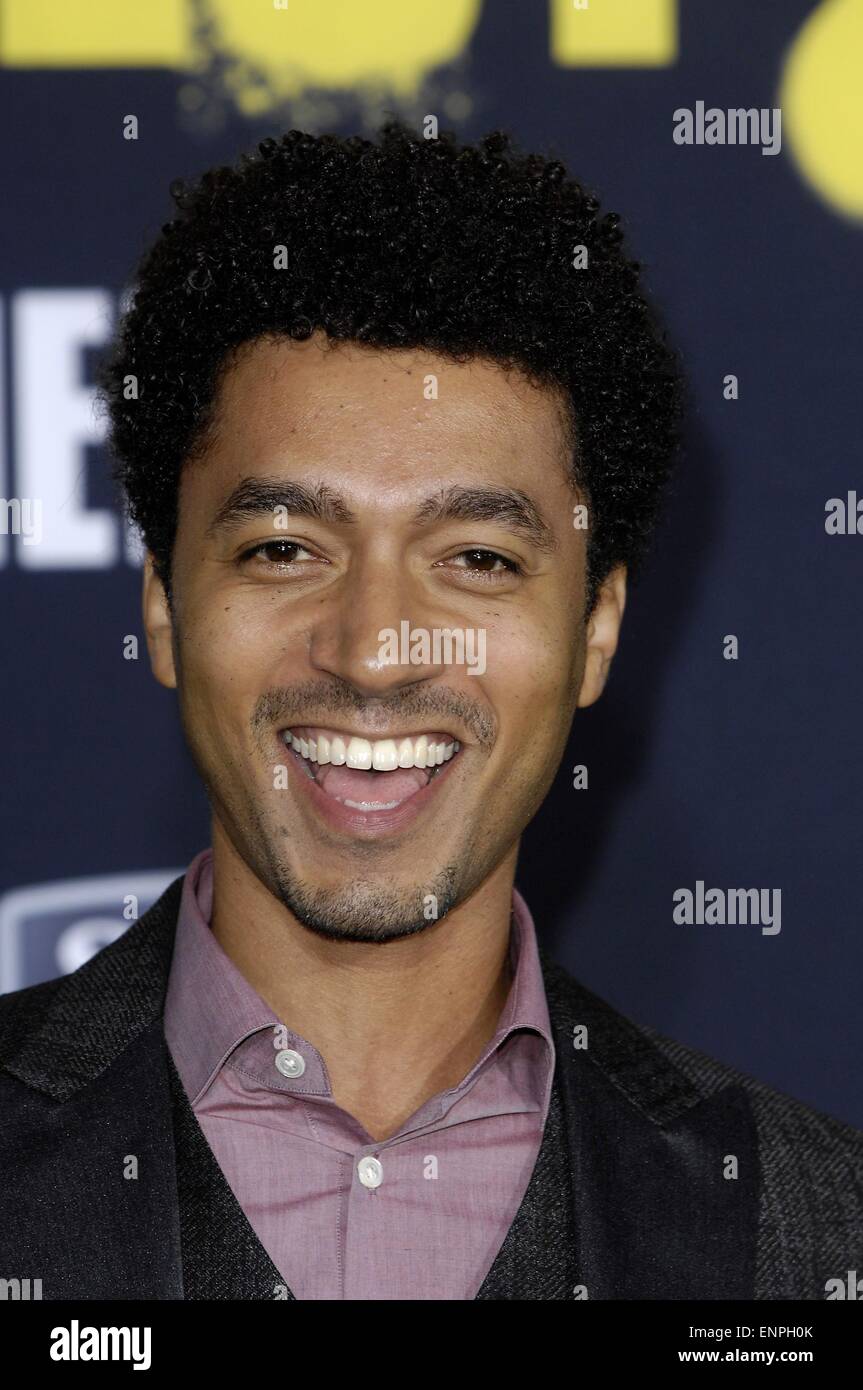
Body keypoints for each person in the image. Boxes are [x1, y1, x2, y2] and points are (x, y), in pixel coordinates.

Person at [1, 123, 860, 1301]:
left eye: (476, 559)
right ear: (161, 602)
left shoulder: (816, 1235)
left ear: (595, 630)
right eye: (285, 546)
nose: (375, 649)